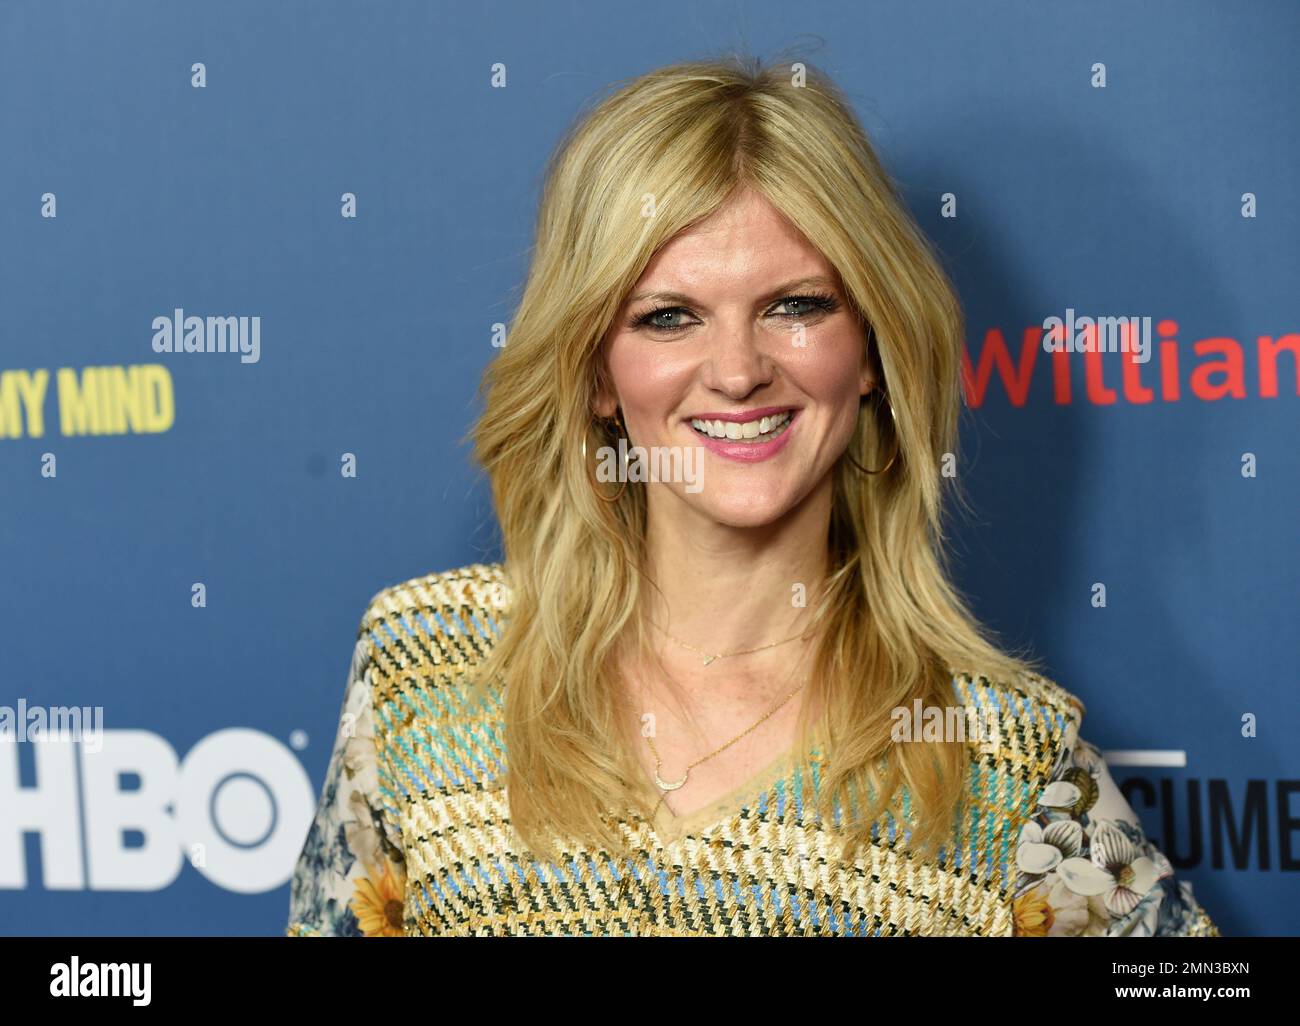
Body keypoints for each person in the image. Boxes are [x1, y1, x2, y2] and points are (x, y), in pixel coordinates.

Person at [285, 55, 1218, 937]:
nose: (737, 372)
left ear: (871, 351)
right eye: (668, 317)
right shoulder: (423, 673)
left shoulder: (1001, 758)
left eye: (796, 306)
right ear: (597, 374)